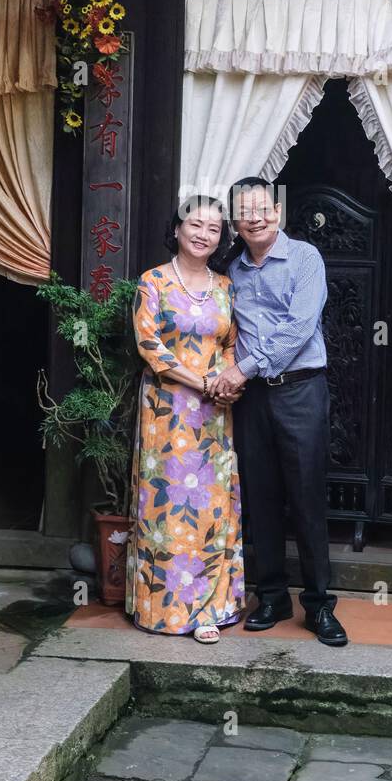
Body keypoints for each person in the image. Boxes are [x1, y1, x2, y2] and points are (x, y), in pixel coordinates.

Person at [208, 177, 348, 647]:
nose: (256, 216)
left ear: (278, 211)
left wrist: (240, 370)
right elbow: (223, 331)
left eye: (264, 207)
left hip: (300, 391)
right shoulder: (231, 270)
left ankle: (319, 604)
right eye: (245, 210)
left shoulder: (306, 258)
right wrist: (224, 376)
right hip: (252, 399)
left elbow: (298, 329)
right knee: (260, 497)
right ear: (235, 221)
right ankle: (271, 596)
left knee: (306, 496)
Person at [125, 197, 246, 644]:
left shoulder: (225, 286)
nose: (203, 233)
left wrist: (232, 381)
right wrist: (200, 381)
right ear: (177, 228)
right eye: (195, 224)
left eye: (214, 229)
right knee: (165, 503)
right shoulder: (152, 281)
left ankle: (210, 607)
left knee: (210, 507)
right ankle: (160, 607)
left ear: (220, 239)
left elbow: (232, 344)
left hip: (216, 412)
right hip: (167, 410)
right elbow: (149, 346)